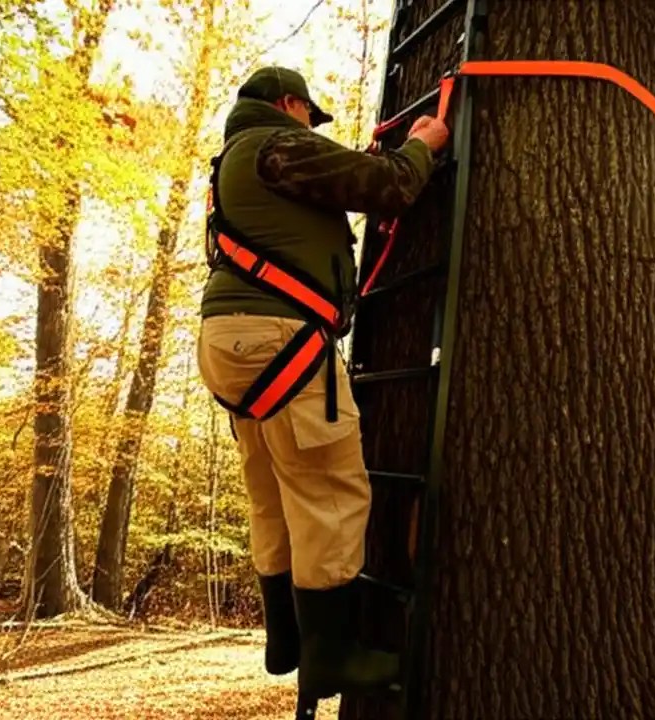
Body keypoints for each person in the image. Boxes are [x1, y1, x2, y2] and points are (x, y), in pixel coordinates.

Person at [196, 65, 449, 701]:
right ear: (289, 104)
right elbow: (389, 185)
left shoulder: (233, 161)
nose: (312, 126)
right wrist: (426, 144)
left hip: (232, 344)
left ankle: (286, 638)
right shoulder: (276, 145)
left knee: (272, 494)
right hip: (279, 339)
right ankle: (330, 659)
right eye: (309, 114)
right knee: (330, 492)